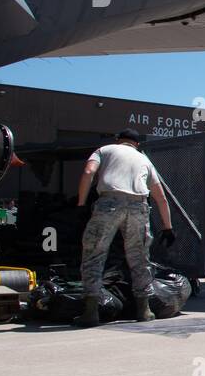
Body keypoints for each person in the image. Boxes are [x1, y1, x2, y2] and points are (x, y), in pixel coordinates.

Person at [74, 129, 174, 327]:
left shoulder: (104, 150)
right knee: (139, 258)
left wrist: (81, 203)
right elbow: (161, 197)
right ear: (136, 144)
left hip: (109, 203)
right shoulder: (143, 159)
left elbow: (88, 172)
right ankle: (144, 310)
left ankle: (91, 312)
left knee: (94, 255)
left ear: (118, 141)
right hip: (139, 207)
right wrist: (168, 227)